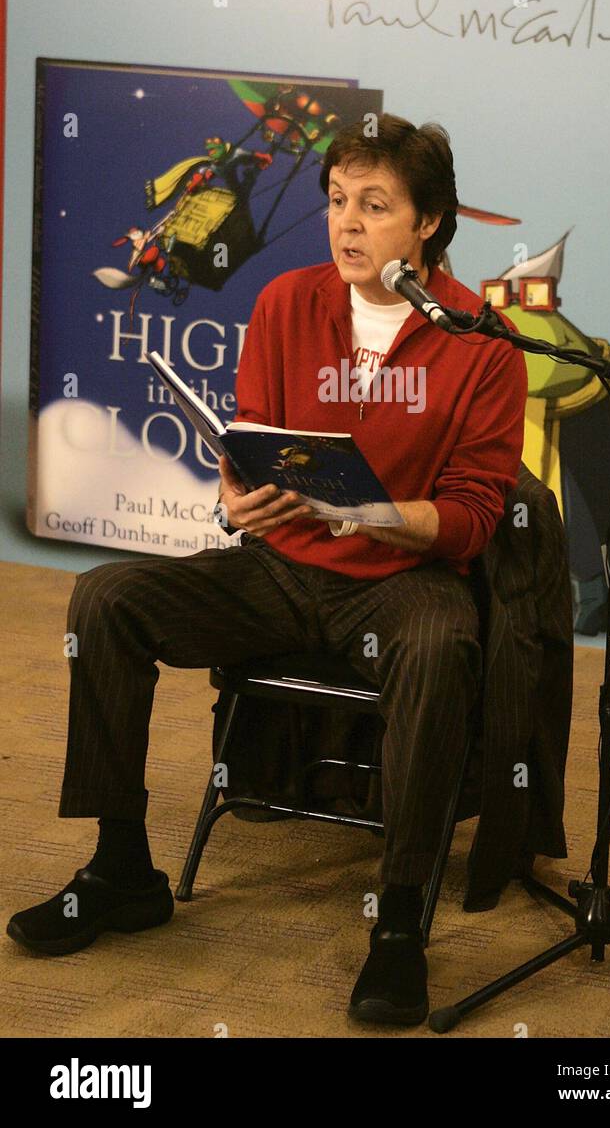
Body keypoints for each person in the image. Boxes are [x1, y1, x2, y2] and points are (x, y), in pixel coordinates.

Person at [6, 113, 527, 1027]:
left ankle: (398, 921)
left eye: (374, 206)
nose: (347, 224)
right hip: (281, 566)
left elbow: (476, 516)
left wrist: (372, 514)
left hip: (401, 582)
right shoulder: (288, 301)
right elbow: (251, 438)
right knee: (105, 598)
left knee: (442, 643)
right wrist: (234, 496)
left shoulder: (483, 341)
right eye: (337, 201)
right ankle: (122, 867)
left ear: (428, 223)